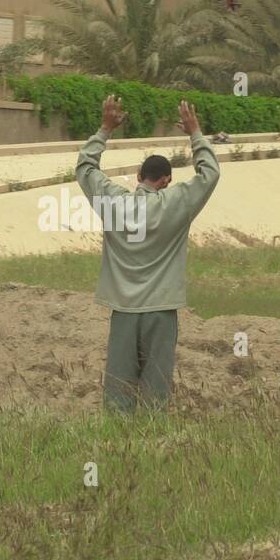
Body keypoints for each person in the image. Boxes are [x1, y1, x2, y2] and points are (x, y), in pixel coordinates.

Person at [76, 94, 220, 410]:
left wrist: (105, 129)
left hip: (124, 309)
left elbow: (86, 167)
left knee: (118, 390)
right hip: (161, 310)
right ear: (167, 181)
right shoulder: (176, 204)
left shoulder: (114, 202)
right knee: (156, 391)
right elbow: (209, 174)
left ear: (139, 177)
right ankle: (154, 441)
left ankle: (118, 444)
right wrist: (195, 134)